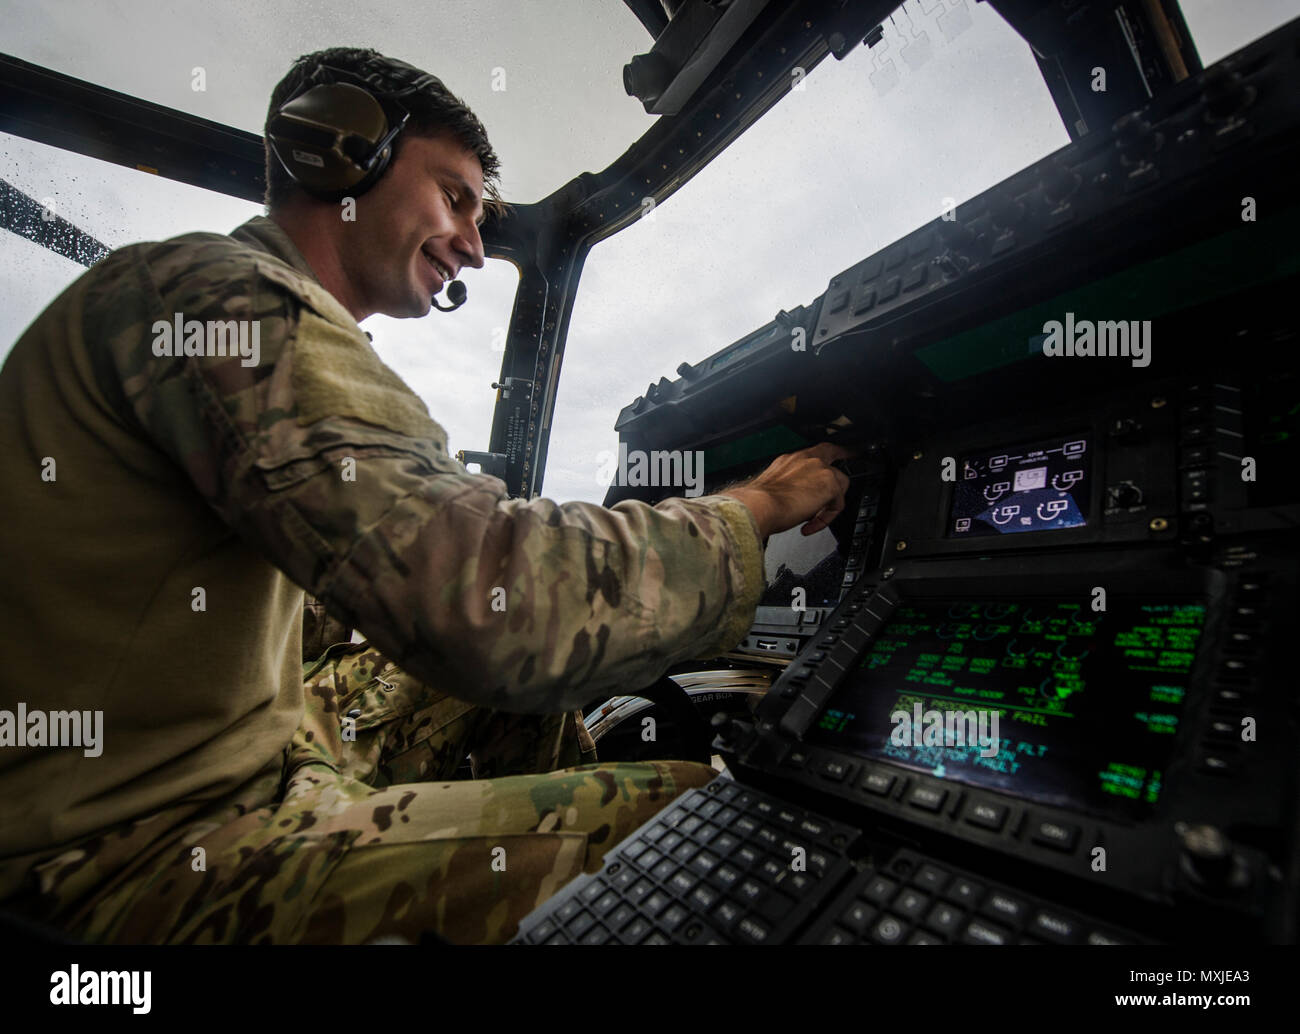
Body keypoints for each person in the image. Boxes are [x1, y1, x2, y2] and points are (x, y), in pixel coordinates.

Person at [0, 47, 849, 944]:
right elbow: (489, 602)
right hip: (124, 858)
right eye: (455, 198)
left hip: (224, 753)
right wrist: (756, 508)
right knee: (693, 825)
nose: (477, 246)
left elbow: (317, 591)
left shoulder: (207, 302)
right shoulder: (225, 302)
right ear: (340, 151)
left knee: (495, 694)